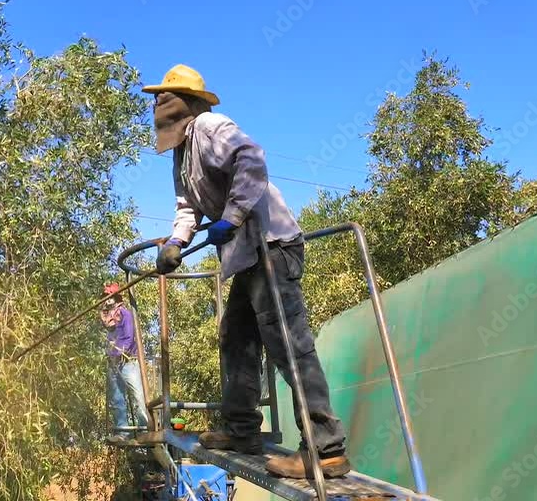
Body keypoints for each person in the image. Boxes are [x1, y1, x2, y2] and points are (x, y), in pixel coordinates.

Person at [141, 64, 351, 478]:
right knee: (235, 338)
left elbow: (251, 158)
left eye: (164, 96)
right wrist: (176, 243)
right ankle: (242, 431)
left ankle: (326, 449)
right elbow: (187, 207)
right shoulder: (182, 153)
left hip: (271, 245)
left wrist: (233, 215)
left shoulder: (210, 125)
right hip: (247, 256)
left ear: (185, 101)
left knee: (288, 344)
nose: (157, 104)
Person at [99, 282, 149, 443]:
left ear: (116, 298)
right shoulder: (108, 316)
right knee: (117, 398)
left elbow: (128, 337)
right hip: (114, 363)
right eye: (105, 297)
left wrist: (119, 351)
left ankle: (145, 430)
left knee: (139, 396)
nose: (106, 301)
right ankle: (122, 431)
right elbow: (108, 333)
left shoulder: (125, 314)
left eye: (109, 297)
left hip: (128, 363)